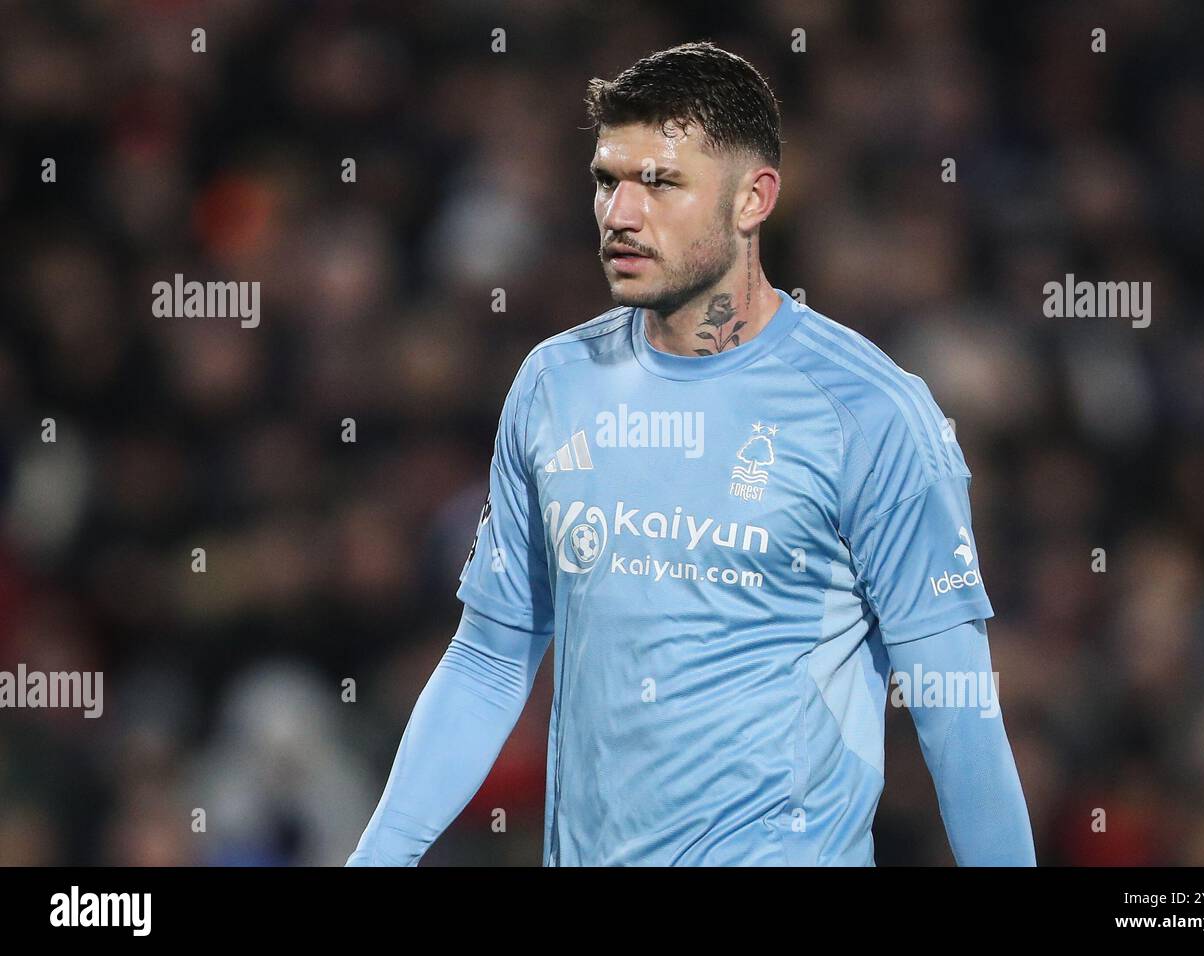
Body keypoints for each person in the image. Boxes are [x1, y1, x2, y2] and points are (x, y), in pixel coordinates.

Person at [348, 40, 1034, 866]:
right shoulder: (553, 385)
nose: (620, 214)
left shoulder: (870, 414)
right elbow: (490, 662)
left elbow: (956, 711)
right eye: (608, 179)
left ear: (753, 199)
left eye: (661, 183)